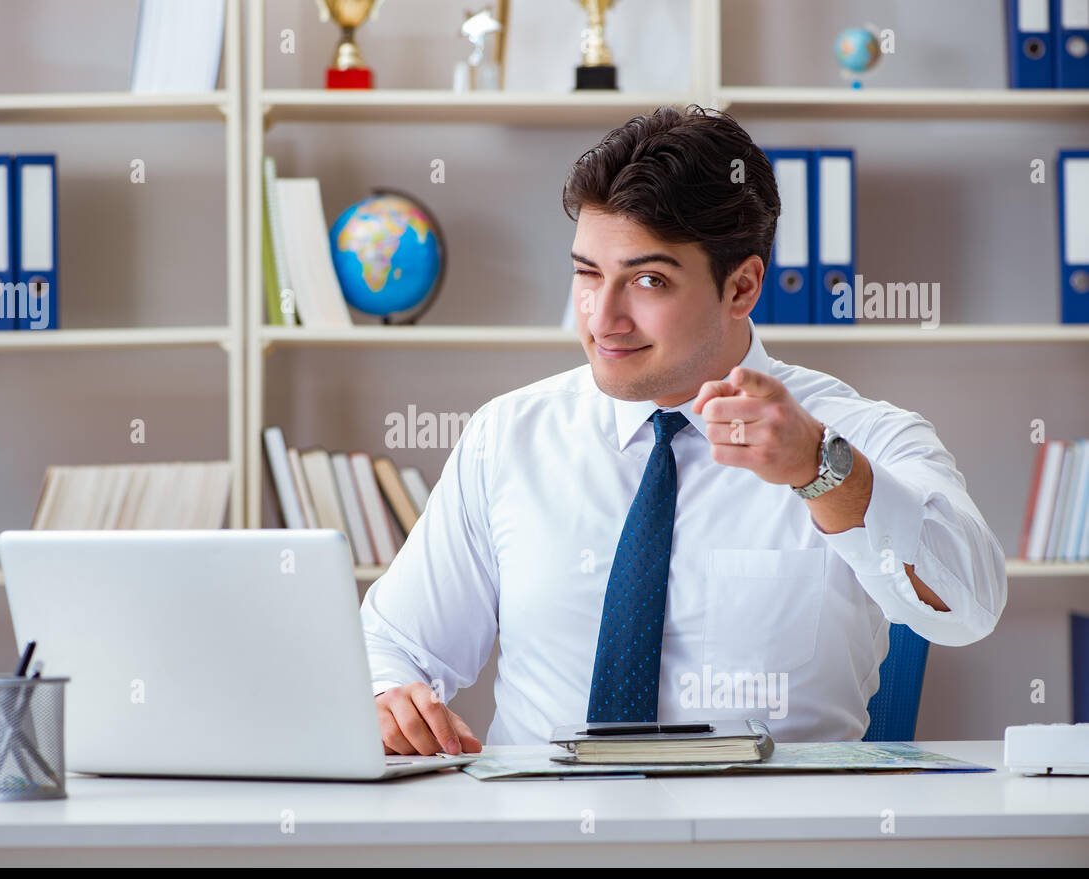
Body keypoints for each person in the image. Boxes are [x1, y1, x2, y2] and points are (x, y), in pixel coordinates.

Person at [362, 105, 1007, 755]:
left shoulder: (859, 436)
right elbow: (395, 643)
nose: (602, 319)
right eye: (588, 274)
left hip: (766, 837)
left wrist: (821, 469)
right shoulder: (507, 437)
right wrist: (393, 695)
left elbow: (969, 605)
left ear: (743, 286)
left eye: (648, 280)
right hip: (544, 833)